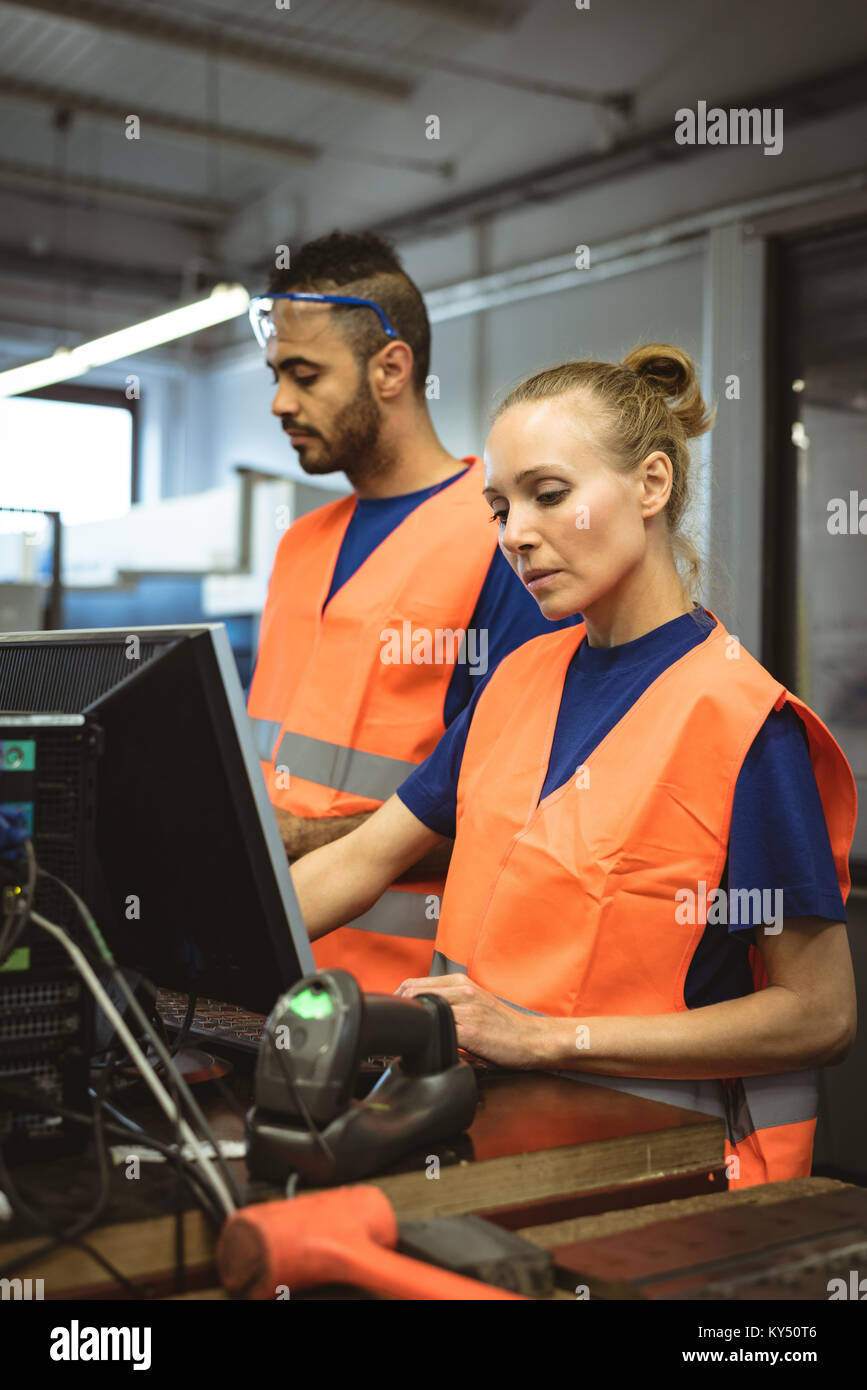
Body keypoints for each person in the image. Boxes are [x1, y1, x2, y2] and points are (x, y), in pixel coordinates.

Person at [290, 343, 858, 1189]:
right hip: (487, 1138)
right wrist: (192, 950)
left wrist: (547, 1036)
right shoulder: (519, 680)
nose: (516, 534)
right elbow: (364, 858)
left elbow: (818, 1013)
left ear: (651, 487)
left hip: (658, 1170)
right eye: (499, 507)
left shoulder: (742, 724)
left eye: (549, 495)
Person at [246, 231, 576, 994]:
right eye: (275, 375)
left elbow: (528, 814)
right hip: (270, 978)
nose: (279, 402)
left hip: (404, 1005)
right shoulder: (299, 546)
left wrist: (299, 840)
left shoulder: (503, 541)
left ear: (390, 369)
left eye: (304, 374)